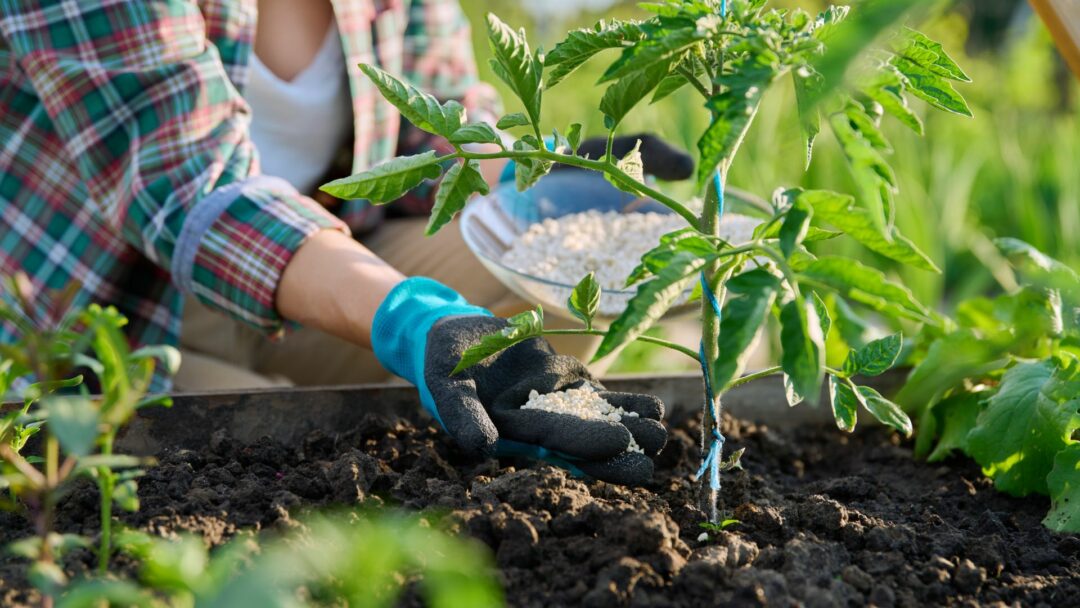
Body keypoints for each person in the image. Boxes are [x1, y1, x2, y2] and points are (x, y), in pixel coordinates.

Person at [0, 0, 693, 485]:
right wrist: (411, 317)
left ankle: (502, 429)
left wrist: (531, 168)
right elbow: (188, 189)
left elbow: (431, 116)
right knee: (279, 454)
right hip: (123, 306)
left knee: (566, 271)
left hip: (326, 271)